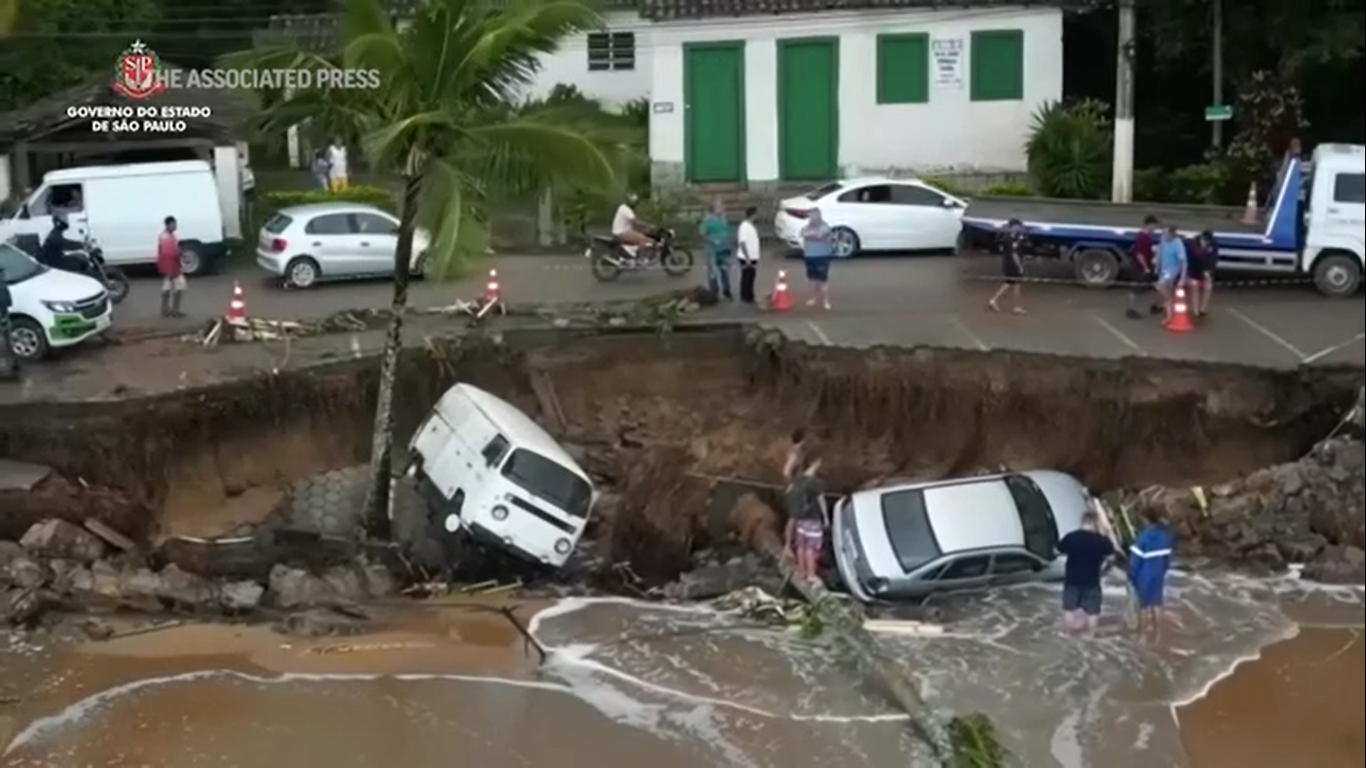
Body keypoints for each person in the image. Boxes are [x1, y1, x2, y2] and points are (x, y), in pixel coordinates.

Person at [1056, 509, 1116, 633]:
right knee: (1093, 611)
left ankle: (1068, 635)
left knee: (1069, 609)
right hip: (1092, 580)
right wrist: (1104, 567)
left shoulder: (1071, 537)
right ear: (1095, 522)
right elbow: (1112, 557)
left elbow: (1057, 551)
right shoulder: (1102, 540)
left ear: (1082, 521)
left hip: (1072, 580)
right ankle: (1090, 636)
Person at [1128, 508, 1173, 643]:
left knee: (1144, 606)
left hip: (1144, 573)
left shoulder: (1143, 536)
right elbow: (1167, 559)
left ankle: (1142, 636)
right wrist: (1163, 571)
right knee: (1157, 603)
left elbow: (1134, 561)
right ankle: (1158, 635)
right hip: (1158, 572)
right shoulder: (1165, 536)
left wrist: (1131, 576)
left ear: (1146, 520)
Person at [784, 455, 828, 580]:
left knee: (801, 546)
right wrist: (825, 519)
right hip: (813, 519)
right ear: (814, 465)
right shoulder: (816, 483)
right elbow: (821, 501)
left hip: (800, 520)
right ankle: (811, 574)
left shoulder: (797, 480)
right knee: (811, 548)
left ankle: (802, 571)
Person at [1126, 216, 1164, 320]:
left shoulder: (1145, 237)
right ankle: (1131, 309)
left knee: (1154, 286)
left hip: (1144, 266)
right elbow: (1139, 254)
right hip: (1140, 267)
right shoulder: (1142, 237)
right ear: (1149, 225)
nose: (1155, 228)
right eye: (1154, 226)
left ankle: (1156, 306)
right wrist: (1146, 267)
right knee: (1136, 288)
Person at [987, 218, 1026, 314]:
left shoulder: (1008, 236)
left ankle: (994, 300)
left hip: (1007, 262)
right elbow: (1014, 254)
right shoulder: (1010, 238)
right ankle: (1016, 307)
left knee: (1008, 284)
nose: (1019, 228)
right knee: (1016, 285)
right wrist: (1019, 266)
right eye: (1018, 226)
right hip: (1012, 264)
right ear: (1014, 226)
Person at [800, 208, 834, 309]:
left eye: (813, 215)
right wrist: (810, 235)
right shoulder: (807, 226)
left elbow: (819, 235)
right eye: (810, 215)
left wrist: (809, 235)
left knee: (823, 279)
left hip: (822, 256)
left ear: (818, 215)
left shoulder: (825, 226)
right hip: (809, 256)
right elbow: (802, 234)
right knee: (812, 279)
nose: (811, 218)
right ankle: (814, 298)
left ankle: (826, 301)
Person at [700, 199, 733, 299]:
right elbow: (702, 234)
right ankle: (714, 292)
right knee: (713, 272)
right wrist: (712, 240)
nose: (723, 208)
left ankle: (726, 291)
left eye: (722, 206)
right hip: (712, 250)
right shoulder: (707, 220)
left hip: (724, 249)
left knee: (725, 270)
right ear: (714, 209)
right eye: (720, 207)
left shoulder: (723, 219)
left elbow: (725, 231)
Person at [1156, 225, 1188, 323]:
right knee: (1165, 289)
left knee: (1161, 286)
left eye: (1166, 233)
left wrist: (1182, 278)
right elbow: (1160, 252)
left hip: (1172, 270)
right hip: (1164, 269)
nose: (1164, 235)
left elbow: (1183, 262)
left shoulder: (1178, 244)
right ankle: (1168, 306)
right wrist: (1157, 266)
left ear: (1172, 234)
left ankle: (1169, 309)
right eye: (1163, 233)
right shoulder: (1163, 239)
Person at [158, 216, 186, 318]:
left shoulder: (168, 236)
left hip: (170, 267)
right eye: (173, 224)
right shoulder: (167, 237)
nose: (175, 226)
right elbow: (168, 254)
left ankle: (166, 310)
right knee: (177, 288)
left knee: (168, 288)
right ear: (168, 225)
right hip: (171, 268)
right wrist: (171, 270)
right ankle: (174, 310)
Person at [1187, 230, 1217, 318]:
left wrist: (1209, 271)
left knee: (1208, 287)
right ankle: (1195, 310)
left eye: (1208, 241)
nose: (1207, 242)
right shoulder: (1193, 244)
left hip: (1206, 271)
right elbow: (1194, 256)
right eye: (1205, 241)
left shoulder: (1213, 244)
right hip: (1193, 271)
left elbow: (1214, 259)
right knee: (1195, 287)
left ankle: (1203, 309)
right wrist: (1205, 250)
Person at [736, 206, 761, 304]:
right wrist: (747, 257)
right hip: (746, 257)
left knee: (751, 276)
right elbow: (742, 242)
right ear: (753, 215)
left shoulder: (750, 226)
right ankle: (746, 296)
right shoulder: (744, 226)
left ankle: (749, 295)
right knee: (747, 276)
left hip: (753, 256)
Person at [0, 266, 16, 380]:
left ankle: (9, 369)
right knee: (6, 345)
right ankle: (8, 370)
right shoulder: (2, 287)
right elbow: (9, 302)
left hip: (3, 318)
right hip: (3, 318)